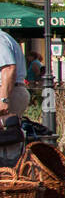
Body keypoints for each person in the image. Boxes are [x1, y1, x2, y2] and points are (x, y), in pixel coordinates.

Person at [0, 29, 29, 164]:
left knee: (7, 140)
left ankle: (10, 174)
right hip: (12, 91)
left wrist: (3, 99)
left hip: (9, 92)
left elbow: (9, 68)